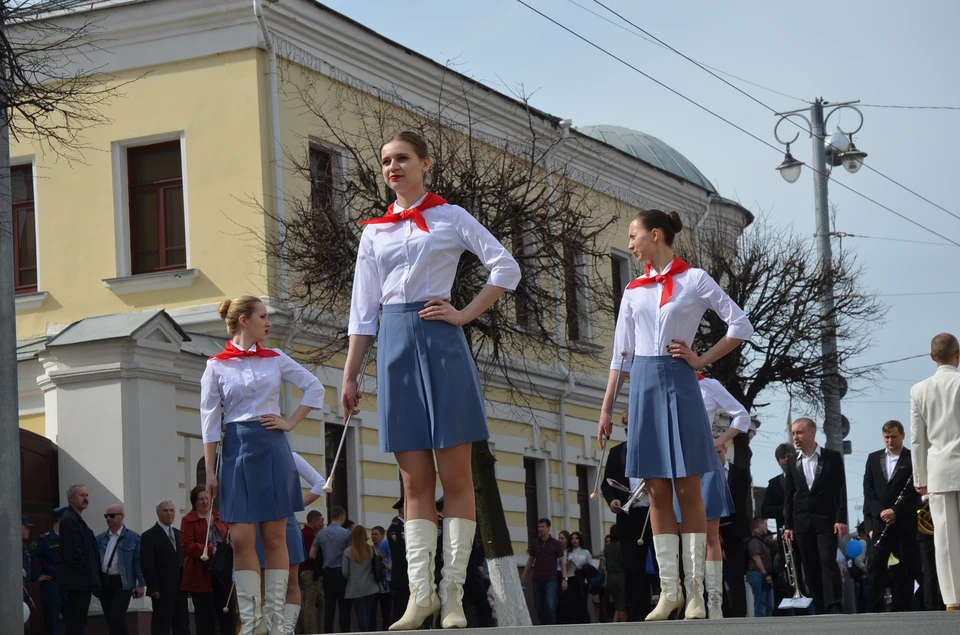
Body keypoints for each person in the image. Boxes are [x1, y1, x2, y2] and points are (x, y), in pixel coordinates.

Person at [343, 130, 520, 630]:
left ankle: (453, 595)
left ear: (425, 164)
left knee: (456, 477)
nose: (392, 167)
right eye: (386, 161)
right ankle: (420, 596)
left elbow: (506, 268)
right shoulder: (373, 232)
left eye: (402, 158)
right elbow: (363, 310)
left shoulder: (452, 216)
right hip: (394, 347)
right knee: (413, 481)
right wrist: (351, 375)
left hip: (441, 342)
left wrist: (463, 314)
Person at [597, 209, 753, 621]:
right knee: (656, 491)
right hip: (643, 386)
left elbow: (740, 325)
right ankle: (670, 591)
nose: (630, 244)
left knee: (688, 488)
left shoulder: (695, 279)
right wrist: (607, 408)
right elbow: (621, 356)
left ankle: (696, 592)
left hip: (680, 383)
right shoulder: (633, 289)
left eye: (633, 236)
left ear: (655, 234)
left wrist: (701, 358)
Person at [201, 295, 326, 634]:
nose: (268, 323)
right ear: (244, 321)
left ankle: (273, 622)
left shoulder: (276, 358)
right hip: (236, 449)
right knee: (242, 539)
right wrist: (210, 472)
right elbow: (209, 424)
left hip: (272, 447)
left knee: (274, 538)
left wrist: (290, 422)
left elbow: (314, 388)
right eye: (262, 316)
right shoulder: (216, 365)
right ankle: (252, 624)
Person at [684, 374, 750, 619]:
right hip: (680, 465)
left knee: (710, 536)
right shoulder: (665, 382)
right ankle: (693, 598)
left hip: (704, 461)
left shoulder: (708, 384)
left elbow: (742, 415)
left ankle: (714, 604)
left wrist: (719, 441)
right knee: (687, 536)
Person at [910, 332, 960, 612]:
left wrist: (920, 477)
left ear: (931, 357)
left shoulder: (919, 390)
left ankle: (953, 599)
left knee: (944, 538)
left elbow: (918, 439)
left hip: (939, 470)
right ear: (958, 354)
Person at [252, 451, 327, 633]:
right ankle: (269, 628)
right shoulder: (253, 454)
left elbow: (320, 484)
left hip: (286, 523)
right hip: (260, 523)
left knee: (291, 583)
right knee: (264, 584)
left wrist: (295, 505)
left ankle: (286, 630)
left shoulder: (290, 456)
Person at [782, 417, 848, 614]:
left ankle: (834, 605)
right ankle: (820, 605)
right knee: (810, 566)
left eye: (799, 432)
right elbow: (789, 495)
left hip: (826, 520)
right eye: (793, 433)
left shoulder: (832, 457)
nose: (796, 437)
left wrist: (841, 519)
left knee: (828, 560)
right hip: (801, 522)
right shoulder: (792, 462)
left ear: (812, 432)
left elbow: (840, 490)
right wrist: (788, 525)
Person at [599, 410, 651, 620]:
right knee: (632, 567)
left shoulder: (654, 451)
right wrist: (613, 501)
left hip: (653, 514)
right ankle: (637, 616)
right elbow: (607, 483)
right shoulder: (616, 452)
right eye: (629, 429)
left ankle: (668, 611)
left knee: (661, 564)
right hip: (628, 516)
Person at [863, 420, 918, 612]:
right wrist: (880, 512)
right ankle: (874, 609)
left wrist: (896, 511)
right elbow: (868, 490)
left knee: (904, 567)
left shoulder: (913, 458)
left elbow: (915, 491)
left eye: (894, 436)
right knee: (876, 567)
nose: (890, 440)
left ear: (902, 436)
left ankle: (903, 608)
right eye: (886, 437)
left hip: (904, 522)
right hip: (880, 522)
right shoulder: (873, 458)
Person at [180, 485, 235, 635]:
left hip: (222, 573)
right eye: (201, 499)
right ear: (194, 502)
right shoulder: (188, 520)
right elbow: (187, 545)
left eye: (207, 498)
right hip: (201, 574)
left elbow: (228, 536)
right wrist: (211, 550)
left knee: (228, 615)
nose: (205, 502)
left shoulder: (219, 517)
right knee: (205, 619)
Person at [140, 500, 189, 635]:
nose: (169, 513)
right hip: (162, 590)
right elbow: (147, 564)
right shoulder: (149, 536)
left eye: (171, 510)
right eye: (165, 511)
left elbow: (183, 560)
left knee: (182, 624)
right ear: (158, 513)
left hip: (181, 588)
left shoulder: (179, 534)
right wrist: (153, 587)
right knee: (162, 625)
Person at [96, 504, 145, 635]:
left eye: (112, 515)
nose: (108, 518)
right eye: (106, 516)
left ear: (122, 516)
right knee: (110, 619)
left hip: (122, 582)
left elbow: (138, 562)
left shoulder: (133, 537)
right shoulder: (99, 539)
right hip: (104, 582)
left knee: (116, 617)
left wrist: (141, 584)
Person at [59, 484, 101, 635]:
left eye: (87, 495)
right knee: (76, 623)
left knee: (77, 623)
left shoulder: (76, 519)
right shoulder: (70, 519)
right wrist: (87, 571)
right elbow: (74, 552)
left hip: (82, 581)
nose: (86, 498)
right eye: (82, 495)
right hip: (79, 582)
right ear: (71, 499)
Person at [29, 506, 74, 635]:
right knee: (52, 622)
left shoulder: (72, 537)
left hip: (69, 584)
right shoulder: (44, 539)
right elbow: (27, 556)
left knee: (76, 621)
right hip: (52, 585)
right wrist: (36, 576)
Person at [310, 505, 353, 633]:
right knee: (344, 607)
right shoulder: (347, 534)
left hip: (327, 574)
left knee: (329, 607)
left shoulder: (321, 534)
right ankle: (345, 631)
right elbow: (350, 555)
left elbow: (311, 555)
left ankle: (328, 632)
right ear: (342, 518)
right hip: (342, 573)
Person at [521, 518, 567, 625]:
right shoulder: (535, 543)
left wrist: (564, 579)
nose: (540, 529)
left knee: (550, 605)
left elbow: (562, 561)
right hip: (537, 578)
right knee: (538, 606)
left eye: (543, 527)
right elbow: (530, 560)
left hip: (551, 578)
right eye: (539, 527)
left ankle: (551, 628)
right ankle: (544, 626)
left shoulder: (555, 543)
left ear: (548, 528)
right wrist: (524, 575)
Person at [343, 525, 380, 632]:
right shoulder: (371, 549)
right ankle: (368, 632)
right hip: (371, 587)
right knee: (368, 614)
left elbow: (345, 572)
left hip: (355, 588)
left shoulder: (348, 551)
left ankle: (364, 632)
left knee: (361, 615)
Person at [300, 510, 326, 634]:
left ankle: (321, 630)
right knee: (310, 603)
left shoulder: (304, 533)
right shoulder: (310, 536)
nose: (322, 523)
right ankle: (309, 632)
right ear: (314, 521)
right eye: (320, 521)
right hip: (310, 572)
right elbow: (314, 555)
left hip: (309, 572)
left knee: (322, 602)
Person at [745, 517, 775, 618]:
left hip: (763, 574)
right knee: (760, 603)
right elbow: (755, 556)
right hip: (757, 573)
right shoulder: (754, 540)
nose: (767, 528)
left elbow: (773, 543)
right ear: (760, 525)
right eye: (766, 525)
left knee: (769, 605)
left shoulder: (763, 540)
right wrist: (765, 573)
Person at [387, 499, 408, 625]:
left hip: (409, 574)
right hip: (402, 574)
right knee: (400, 607)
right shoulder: (395, 528)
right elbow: (399, 551)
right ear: (403, 509)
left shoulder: (407, 526)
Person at [563, 532, 592, 624]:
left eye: (576, 538)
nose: (574, 540)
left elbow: (590, 567)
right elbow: (563, 567)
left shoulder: (585, 552)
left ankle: (584, 622)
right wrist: (568, 562)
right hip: (571, 578)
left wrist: (583, 568)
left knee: (582, 603)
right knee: (572, 603)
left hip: (582, 579)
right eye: (572, 538)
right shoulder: (567, 552)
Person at [603, 526, 628, 623]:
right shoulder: (621, 546)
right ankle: (623, 624)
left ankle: (615, 622)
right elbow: (623, 561)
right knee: (622, 604)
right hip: (621, 575)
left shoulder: (607, 547)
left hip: (611, 576)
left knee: (617, 603)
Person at [372, 526, 394, 629]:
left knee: (387, 614)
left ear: (382, 535)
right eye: (372, 534)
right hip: (374, 585)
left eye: (376, 534)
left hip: (386, 586)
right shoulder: (370, 549)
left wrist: (384, 565)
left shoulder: (389, 549)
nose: (373, 536)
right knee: (372, 614)